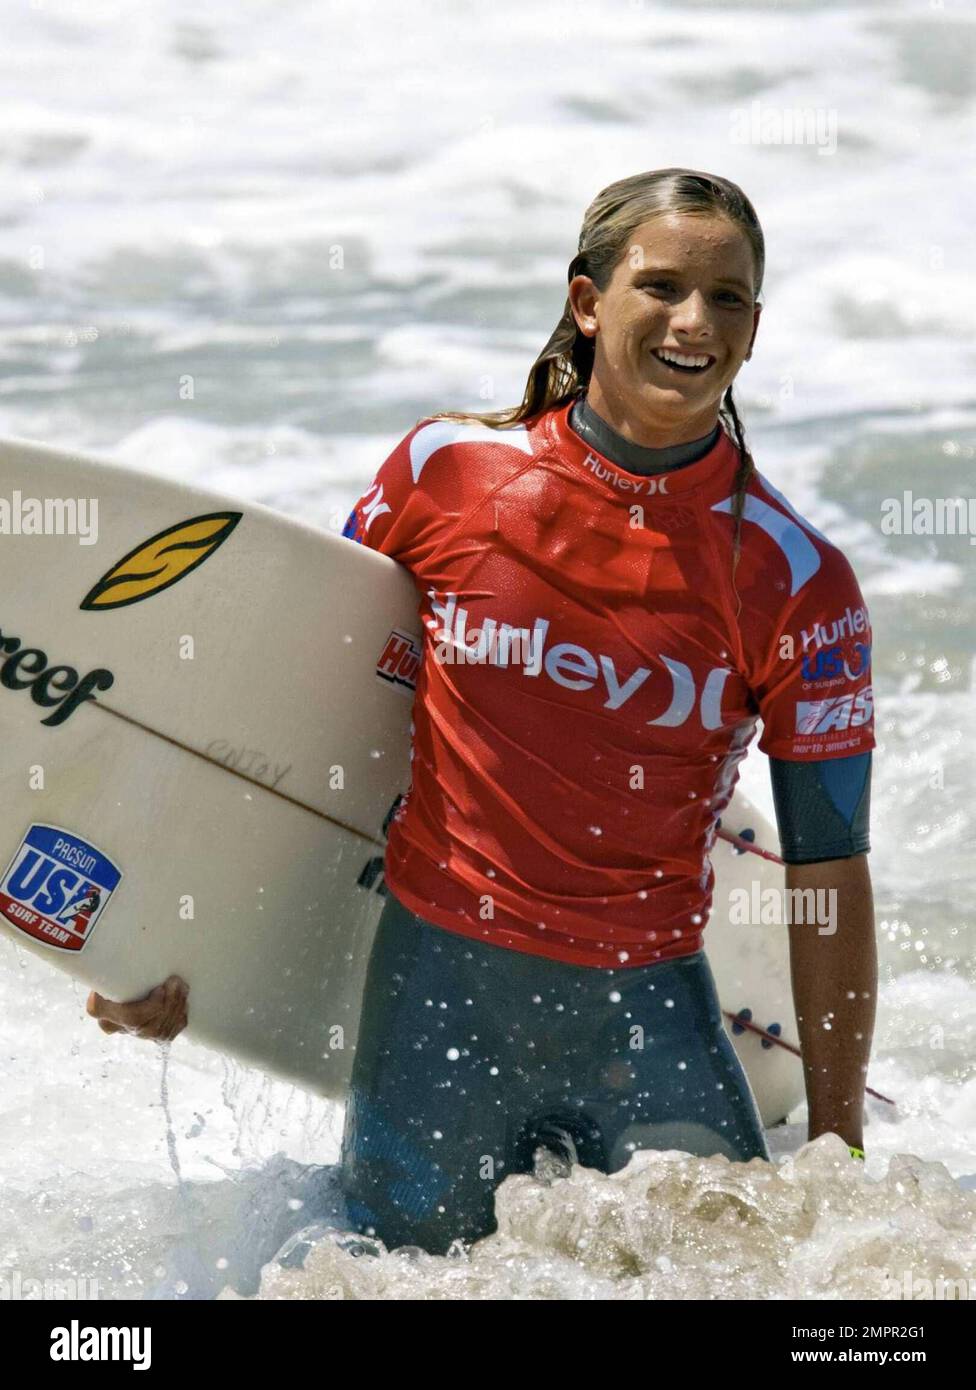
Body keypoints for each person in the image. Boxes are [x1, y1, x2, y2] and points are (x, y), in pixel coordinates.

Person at [88, 169, 877, 1256]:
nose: (695, 321)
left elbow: (829, 872)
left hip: (648, 1009)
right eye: (660, 286)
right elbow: (284, 720)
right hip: (435, 1000)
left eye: (729, 297)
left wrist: (838, 1151)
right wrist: (165, 948)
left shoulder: (795, 580)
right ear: (587, 300)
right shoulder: (446, 476)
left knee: (768, 1280)